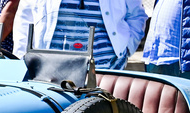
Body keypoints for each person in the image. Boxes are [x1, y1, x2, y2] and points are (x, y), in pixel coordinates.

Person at [12, 0, 147, 70]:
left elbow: (136, 15)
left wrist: (127, 48)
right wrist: (22, 57)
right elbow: (25, 17)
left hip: (107, 68)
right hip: (51, 69)